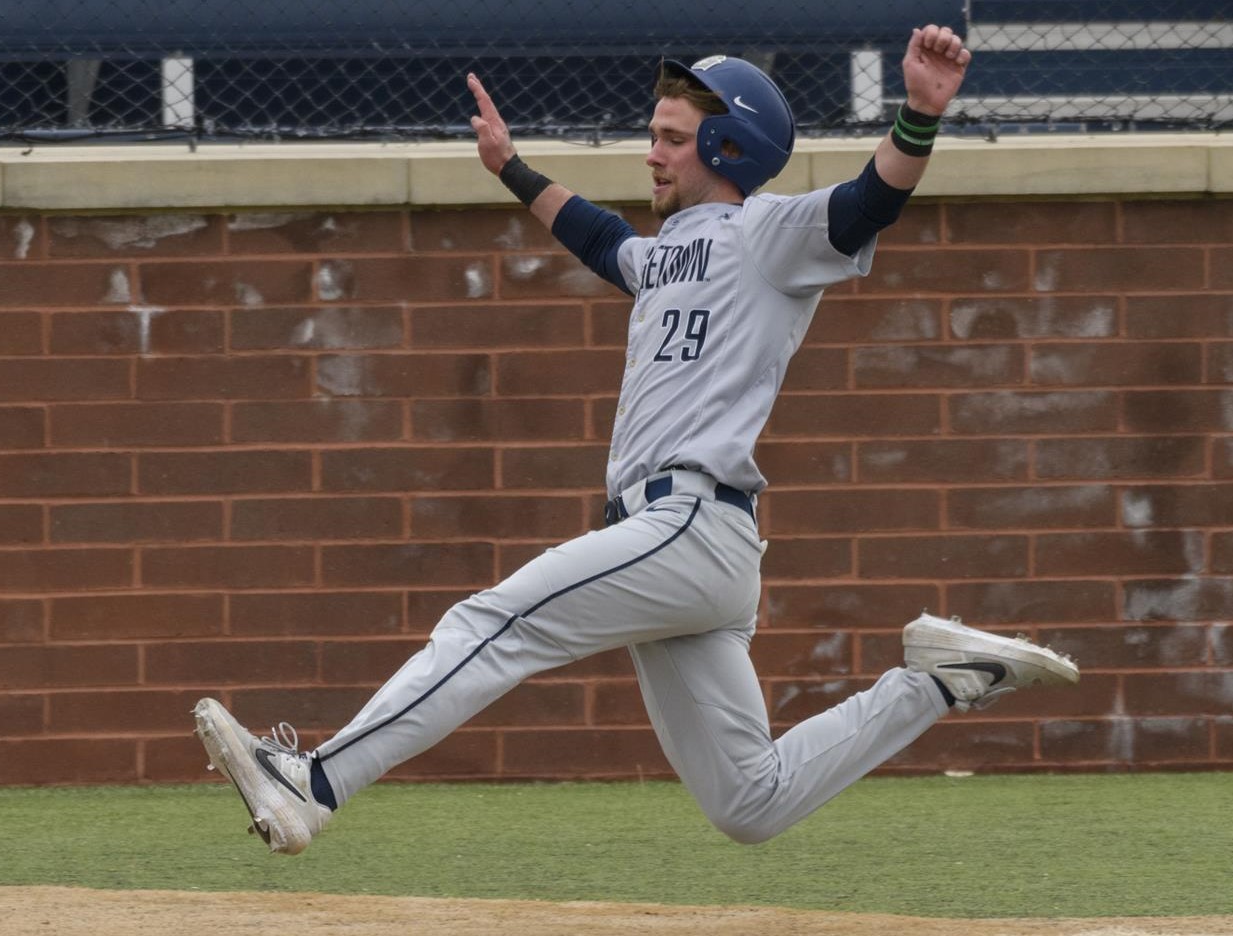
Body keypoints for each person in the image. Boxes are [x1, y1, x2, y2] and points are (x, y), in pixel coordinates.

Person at [193, 24, 1079, 856]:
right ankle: (939, 679)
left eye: (670, 135)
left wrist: (919, 111)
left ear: (728, 147)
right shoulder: (664, 253)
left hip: (687, 520)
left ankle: (315, 781)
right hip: (692, 547)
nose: (650, 149)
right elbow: (597, 236)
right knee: (749, 801)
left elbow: (866, 201)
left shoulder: (768, 238)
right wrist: (510, 166)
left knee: (489, 624)